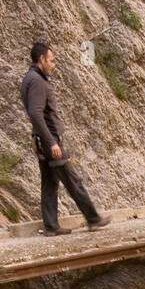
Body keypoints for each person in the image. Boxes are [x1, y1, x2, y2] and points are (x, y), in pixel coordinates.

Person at [20, 42, 110, 235]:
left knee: (50, 183)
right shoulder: (36, 81)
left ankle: (51, 226)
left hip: (40, 140)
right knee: (72, 179)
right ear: (41, 59)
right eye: (51, 60)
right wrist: (52, 141)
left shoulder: (31, 78)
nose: (53, 64)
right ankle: (93, 219)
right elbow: (36, 114)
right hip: (49, 141)